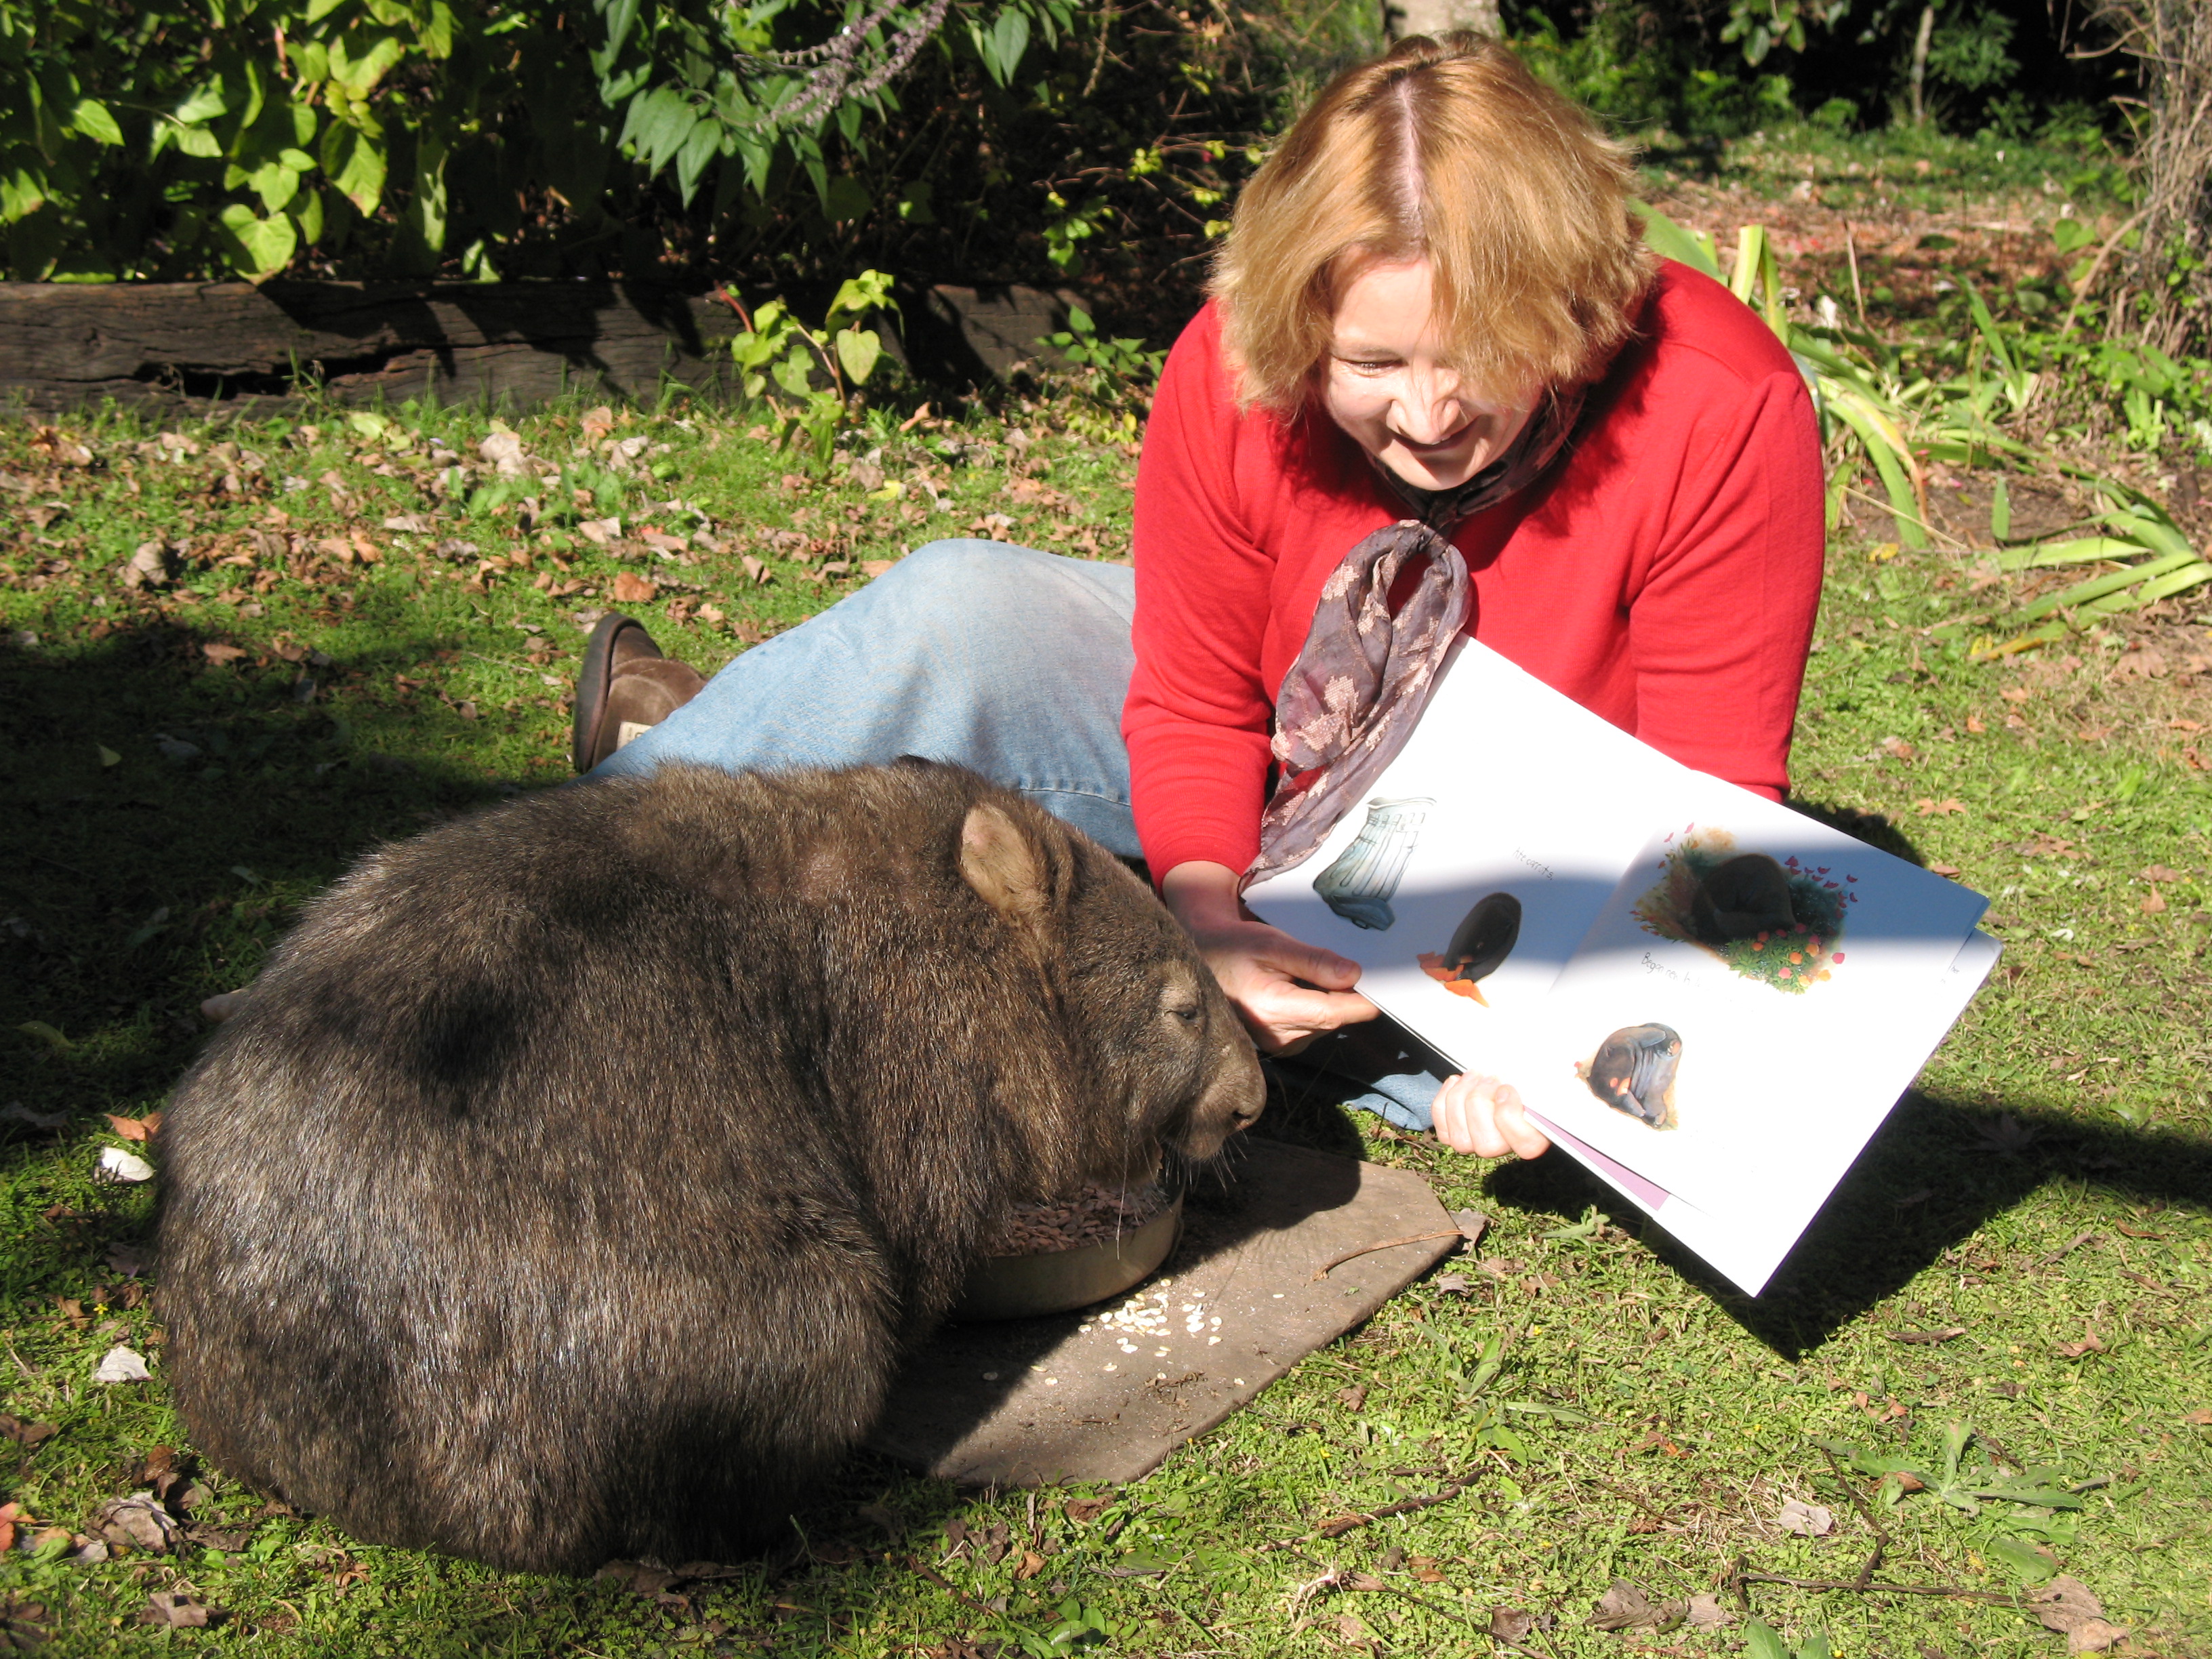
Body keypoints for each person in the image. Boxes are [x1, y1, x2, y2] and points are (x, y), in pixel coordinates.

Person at [574, 33, 1824, 1166]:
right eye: (1372, 366)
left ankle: (715, 739)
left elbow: (1707, 811)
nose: (1431, 420)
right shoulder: (1232, 362)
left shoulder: (1719, 404)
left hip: (1517, 856)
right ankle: (537, 910)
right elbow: (1190, 695)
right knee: (958, 611)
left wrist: (1552, 1046)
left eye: (1486, 361)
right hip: (1286, 725)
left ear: (1572, 309)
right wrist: (1207, 911)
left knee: (1423, 1054)